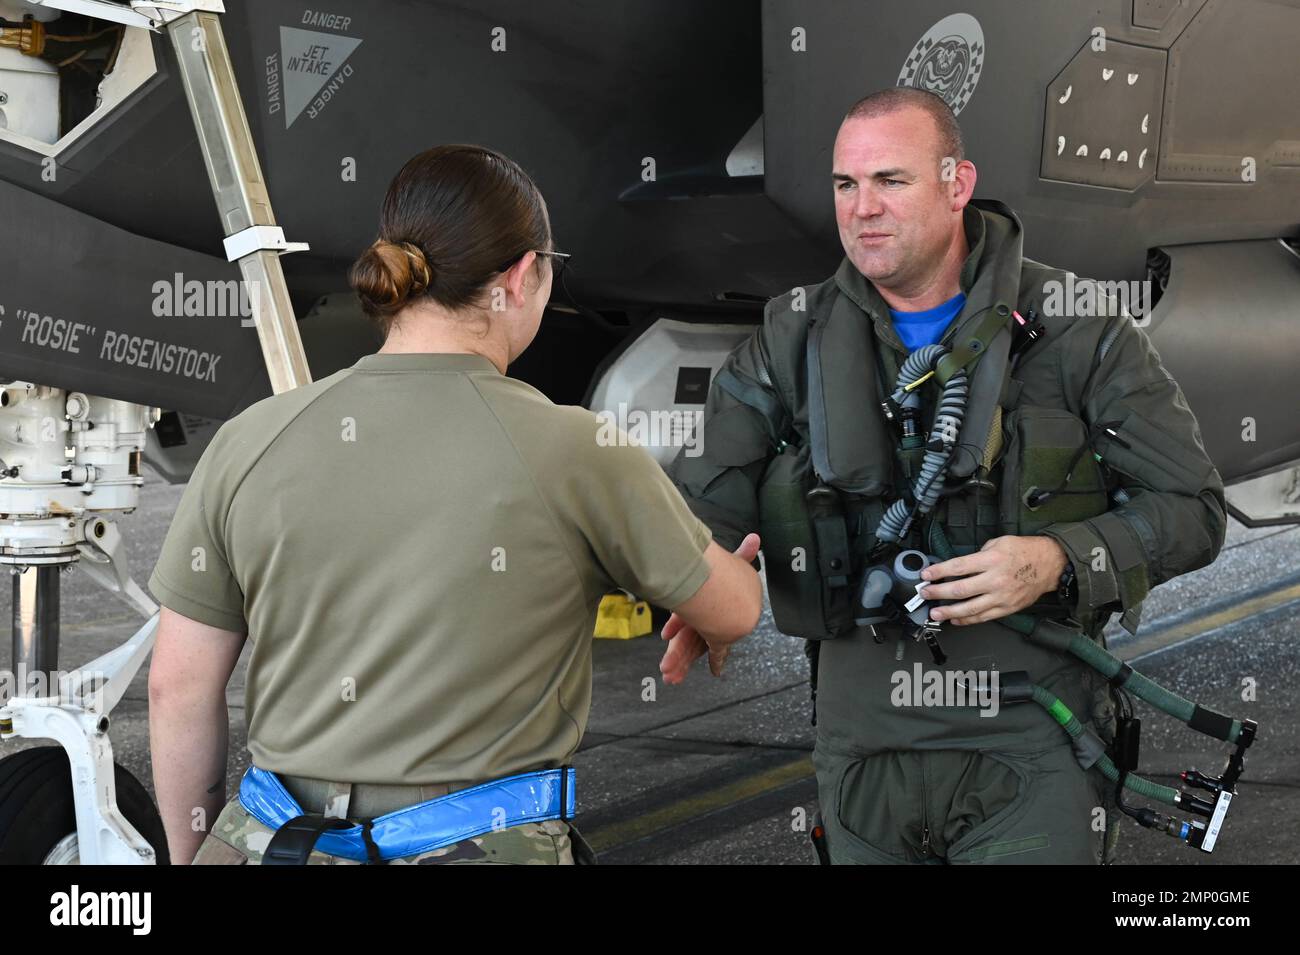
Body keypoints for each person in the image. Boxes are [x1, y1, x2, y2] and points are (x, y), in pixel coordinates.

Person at [147, 144, 762, 865]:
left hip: (269, 844)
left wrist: (200, 852)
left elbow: (177, 686)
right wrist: (711, 582)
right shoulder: (575, 448)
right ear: (523, 277)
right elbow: (734, 610)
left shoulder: (249, 438)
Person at [667, 88, 1227, 864]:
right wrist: (699, 587)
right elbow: (702, 505)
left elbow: (1194, 510)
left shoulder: (1077, 328)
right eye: (844, 185)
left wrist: (1055, 560)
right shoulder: (791, 337)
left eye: (890, 181)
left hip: (1029, 744)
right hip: (865, 754)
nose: (862, 208)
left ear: (957, 185)